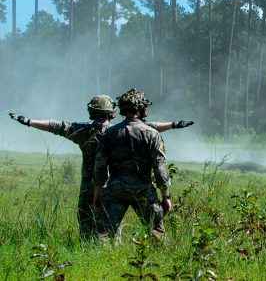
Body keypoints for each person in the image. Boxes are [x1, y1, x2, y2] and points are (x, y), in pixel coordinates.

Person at [7, 96, 193, 240]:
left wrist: (28, 121)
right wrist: (174, 125)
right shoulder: (116, 129)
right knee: (114, 230)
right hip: (113, 186)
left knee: (89, 224)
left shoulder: (83, 131)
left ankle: (89, 250)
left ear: (91, 111)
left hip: (91, 186)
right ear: (112, 112)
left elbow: (55, 125)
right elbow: (149, 127)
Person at [93, 89, 173, 241]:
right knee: (156, 233)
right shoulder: (152, 134)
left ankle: (106, 262)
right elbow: (160, 168)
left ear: (122, 110)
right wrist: (166, 196)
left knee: (106, 236)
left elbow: (100, 168)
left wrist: (97, 195)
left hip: (116, 190)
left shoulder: (109, 134)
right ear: (143, 109)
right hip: (143, 190)